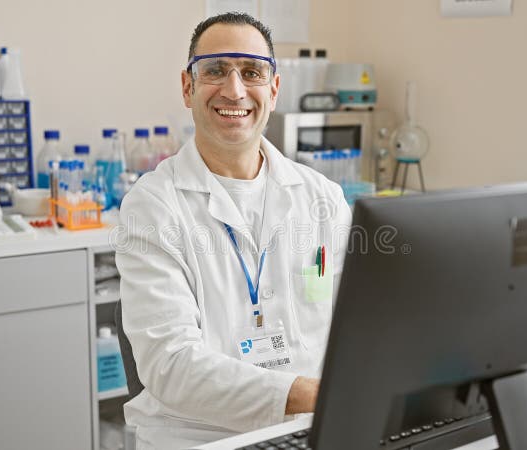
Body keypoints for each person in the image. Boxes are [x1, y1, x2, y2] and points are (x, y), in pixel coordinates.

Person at [114, 12, 352, 450]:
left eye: (251, 72)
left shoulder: (322, 198)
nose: (235, 89)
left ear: (274, 89)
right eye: (216, 70)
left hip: (310, 429)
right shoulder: (151, 206)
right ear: (188, 87)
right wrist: (319, 395)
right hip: (200, 437)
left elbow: (356, 323)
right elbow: (172, 365)